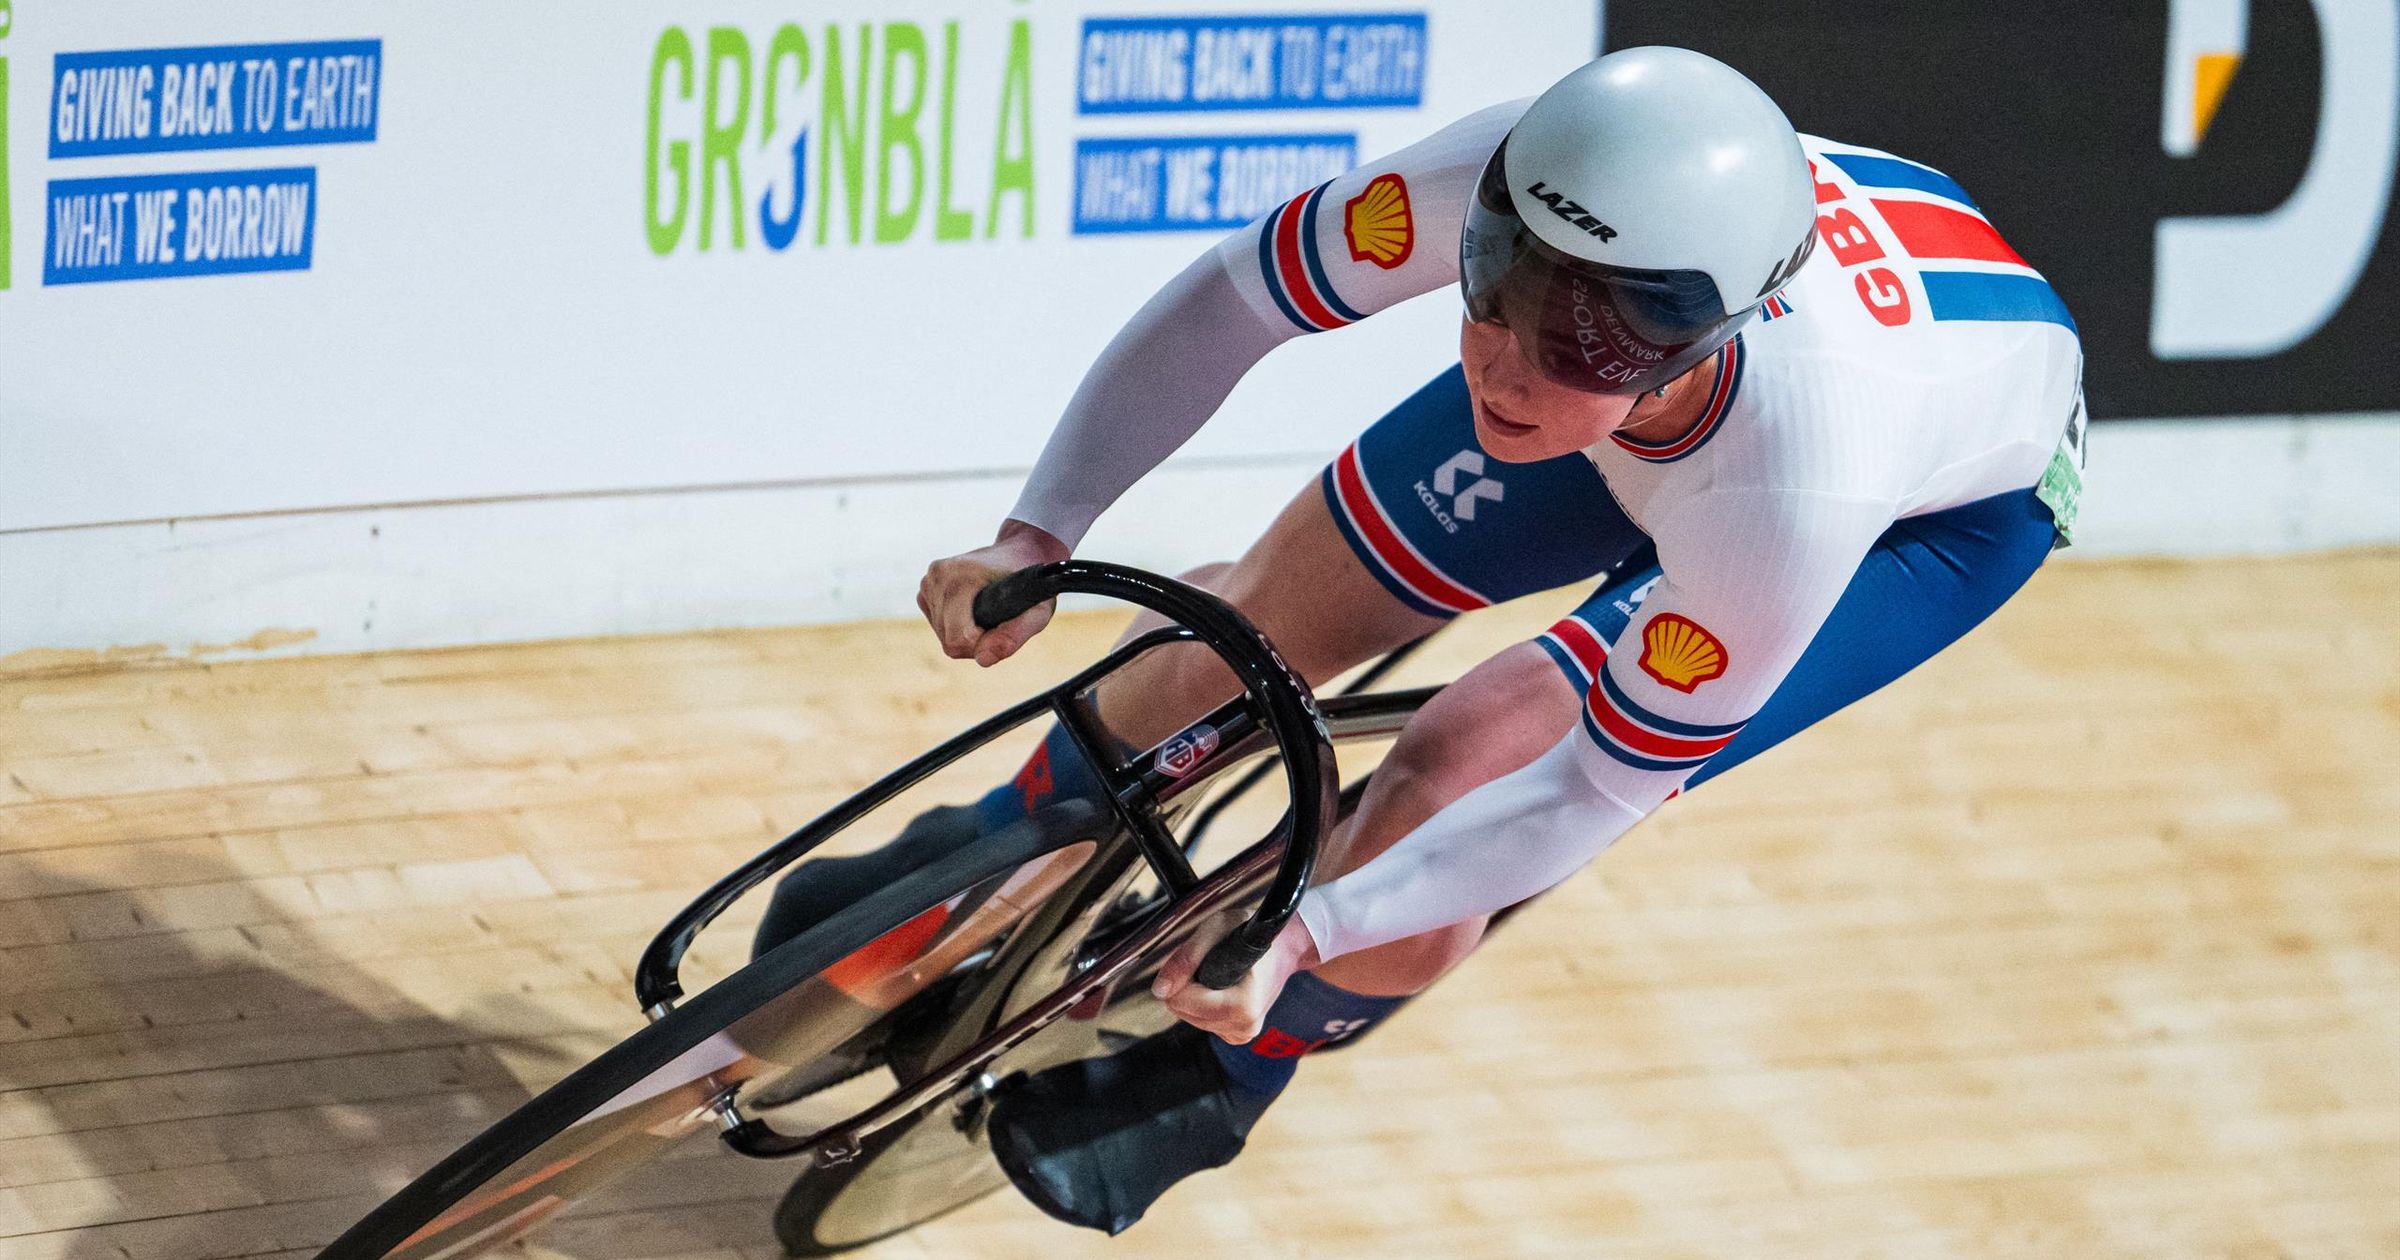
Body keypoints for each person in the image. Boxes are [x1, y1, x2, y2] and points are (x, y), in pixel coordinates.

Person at [761, 45, 2086, 1233]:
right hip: (1713, 389)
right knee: (1256, 615)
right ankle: (1006, 830)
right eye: (1496, 286)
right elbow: (1235, 303)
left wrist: (1309, 934)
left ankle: (1230, 1070)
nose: (1506, 366)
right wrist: (1038, 533)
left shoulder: (1798, 489)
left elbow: (1589, 790)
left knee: (1474, 754)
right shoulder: (1512, 181)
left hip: (1931, 516)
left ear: (1702, 328)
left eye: (1584, 332)